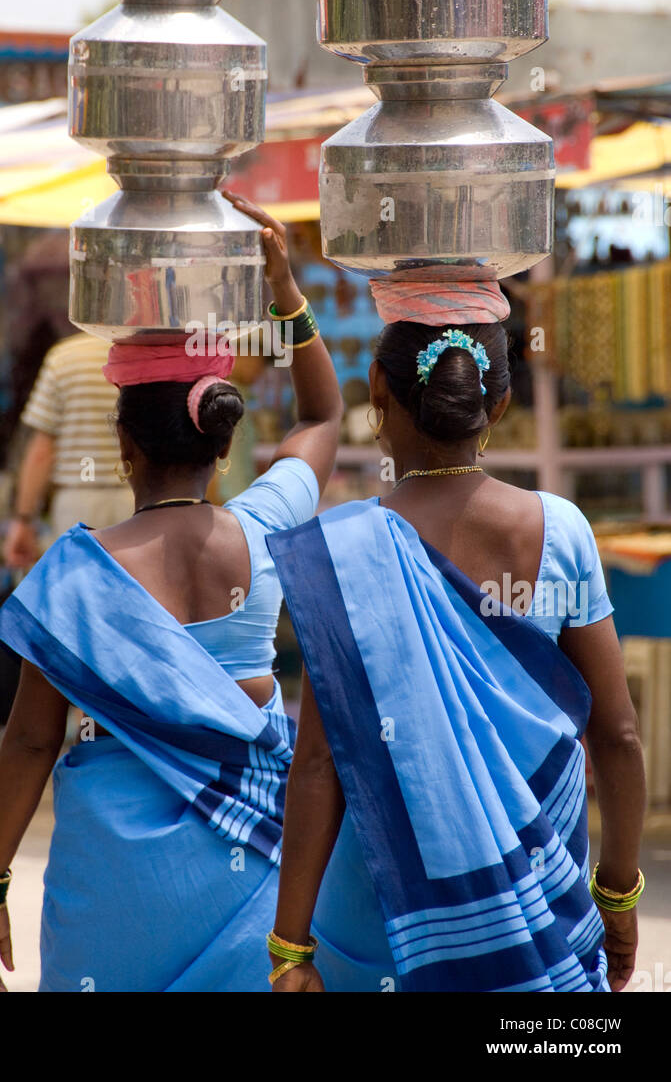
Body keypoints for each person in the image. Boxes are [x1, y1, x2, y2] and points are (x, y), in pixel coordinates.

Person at [0, 194, 343, 992]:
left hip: (114, 871)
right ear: (225, 441)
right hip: (249, 864)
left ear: (122, 446)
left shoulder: (73, 573)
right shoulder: (265, 526)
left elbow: (32, 740)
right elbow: (324, 412)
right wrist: (282, 284)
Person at [264, 282, 646, 993]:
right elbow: (617, 737)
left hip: (381, 916)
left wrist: (290, 948)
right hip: (543, 911)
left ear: (375, 388)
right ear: (496, 404)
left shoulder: (342, 552)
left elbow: (316, 764)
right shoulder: (560, 529)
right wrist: (616, 897)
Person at [3, 331, 128, 572]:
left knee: (80, 601)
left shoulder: (64, 358)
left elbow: (42, 452)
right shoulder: (142, 356)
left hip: (76, 503)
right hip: (135, 500)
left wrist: (24, 519)